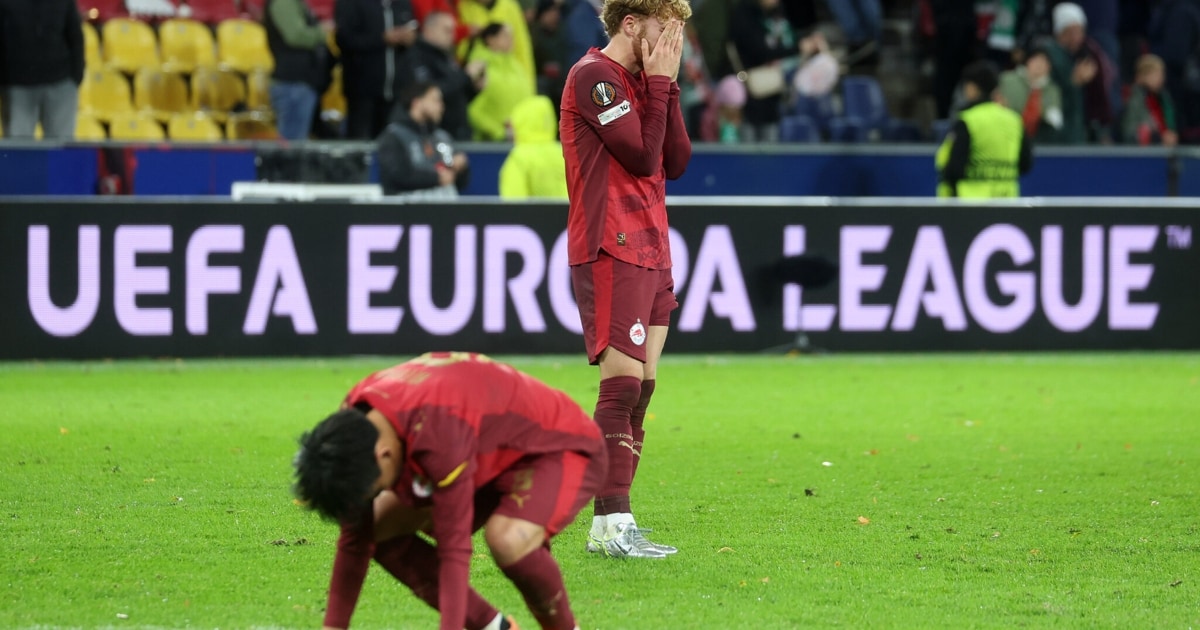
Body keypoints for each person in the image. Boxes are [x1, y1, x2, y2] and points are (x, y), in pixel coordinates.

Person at [293, 351, 605, 630]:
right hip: (485, 451)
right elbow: (355, 534)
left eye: (375, 490)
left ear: (384, 455)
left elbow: (454, 548)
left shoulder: (438, 431)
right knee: (378, 524)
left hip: (557, 447)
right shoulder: (351, 428)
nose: (376, 495)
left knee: (507, 539)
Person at [559, 0, 692, 559]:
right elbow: (640, 156)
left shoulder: (649, 81)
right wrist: (658, 84)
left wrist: (669, 86)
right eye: (665, 35)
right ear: (631, 25)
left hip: (652, 247)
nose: (670, 49)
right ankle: (612, 524)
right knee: (620, 387)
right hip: (610, 244)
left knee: (644, 386)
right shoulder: (594, 78)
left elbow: (677, 159)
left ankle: (611, 527)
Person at [936, 61, 1034, 198]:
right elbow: (1025, 164)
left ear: (972, 88)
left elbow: (954, 169)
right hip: (1007, 203)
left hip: (970, 205)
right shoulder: (1014, 120)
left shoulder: (968, 120)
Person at [0, 0, 85, 140]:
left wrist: (75, 77)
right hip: (16, 86)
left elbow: (75, 36)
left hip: (61, 83)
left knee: (61, 147)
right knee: (18, 149)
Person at [335, 0, 419, 139]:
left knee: (392, 142)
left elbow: (415, 33)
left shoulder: (403, 3)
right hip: (362, 90)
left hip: (397, 91)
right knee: (360, 143)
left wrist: (409, 39)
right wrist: (382, 39)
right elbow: (344, 39)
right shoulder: (350, 3)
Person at [378, 81, 470, 197]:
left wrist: (461, 169)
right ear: (417, 102)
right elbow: (397, 177)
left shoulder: (441, 136)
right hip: (408, 210)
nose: (441, 106)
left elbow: (461, 183)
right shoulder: (394, 136)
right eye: (435, 100)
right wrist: (436, 178)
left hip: (445, 208)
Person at [1045, 2, 1116, 143]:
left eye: (1079, 31)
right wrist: (1074, 83)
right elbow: (1049, 99)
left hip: (1085, 133)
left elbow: (1100, 98)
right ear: (1059, 33)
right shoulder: (1049, 56)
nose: (1076, 38)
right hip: (1058, 136)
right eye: (1070, 32)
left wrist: (1102, 132)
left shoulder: (1090, 54)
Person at [264, 0, 335, 140]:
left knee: (296, 142)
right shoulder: (283, 3)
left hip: (300, 83)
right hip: (293, 83)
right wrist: (322, 31)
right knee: (292, 146)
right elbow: (295, 36)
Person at [409, 10, 484, 140]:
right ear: (429, 30)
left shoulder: (446, 58)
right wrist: (465, 76)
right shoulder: (416, 57)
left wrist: (474, 89)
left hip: (459, 133)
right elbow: (429, 92)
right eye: (447, 30)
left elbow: (456, 95)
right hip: (435, 135)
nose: (452, 35)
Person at [467, 22, 536, 140]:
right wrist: (499, 133)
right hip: (491, 145)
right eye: (505, 36)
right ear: (490, 40)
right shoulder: (479, 68)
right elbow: (473, 111)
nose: (511, 40)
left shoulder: (516, 66)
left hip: (521, 138)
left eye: (511, 36)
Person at [457, 0, 536, 91]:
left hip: (512, 76)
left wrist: (529, 83)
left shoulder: (509, 6)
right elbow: (461, 51)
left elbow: (522, 48)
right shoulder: (464, 7)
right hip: (481, 80)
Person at [499, 95, 568, 198]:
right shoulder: (565, 154)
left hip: (535, 215)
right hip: (572, 214)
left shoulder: (519, 158)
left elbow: (513, 207)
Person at [998, 47, 1064, 144]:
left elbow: (1055, 119)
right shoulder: (1007, 80)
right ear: (1027, 62)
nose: (1039, 65)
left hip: (1037, 139)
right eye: (1035, 60)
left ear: (1049, 67)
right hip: (1005, 132)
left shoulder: (1053, 90)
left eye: (1044, 62)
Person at [1122, 54, 1179, 146]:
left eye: (1162, 74)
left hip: (1166, 151)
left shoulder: (1164, 97)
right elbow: (1129, 132)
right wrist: (1156, 137)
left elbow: (1170, 125)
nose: (1161, 78)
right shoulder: (1134, 99)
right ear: (1142, 76)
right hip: (1144, 155)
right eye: (1156, 74)